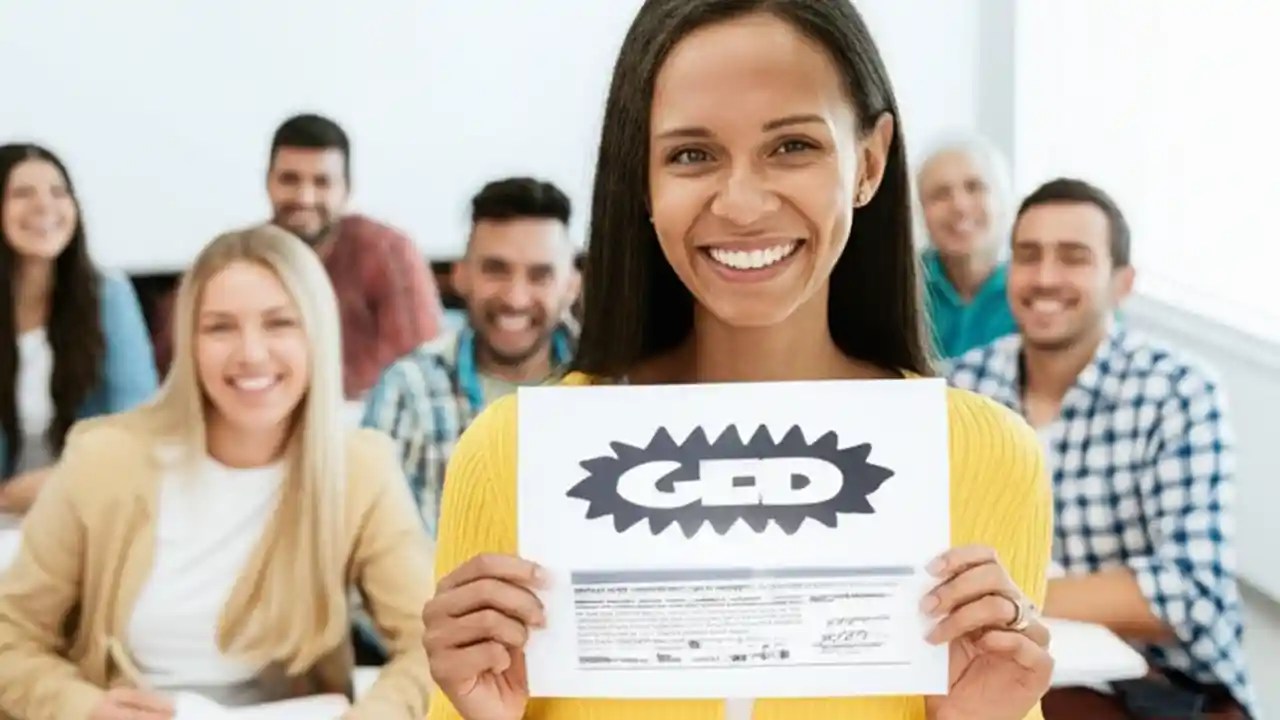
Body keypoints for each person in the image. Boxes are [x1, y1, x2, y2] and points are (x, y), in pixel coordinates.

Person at [420, 2, 1054, 719]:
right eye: (692, 155)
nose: (743, 205)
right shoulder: (511, 457)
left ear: (870, 162)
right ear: (641, 178)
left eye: (793, 146)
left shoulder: (986, 458)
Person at [0, 226, 434, 720]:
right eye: (220, 328)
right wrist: (85, 708)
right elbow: (10, 637)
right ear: (189, 342)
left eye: (279, 323)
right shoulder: (104, 458)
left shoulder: (360, 467)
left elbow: (432, 645)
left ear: (317, 333)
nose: (251, 353)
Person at [947, 178, 1254, 719]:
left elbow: (1190, 591)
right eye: (1028, 256)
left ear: (1122, 283)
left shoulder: (1178, 391)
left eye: (1074, 258)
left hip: (1168, 690)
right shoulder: (964, 384)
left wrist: (1009, 594)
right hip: (1003, 674)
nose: (1045, 278)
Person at [152, 113, 445, 399]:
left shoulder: (388, 253)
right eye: (290, 180)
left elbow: (423, 369)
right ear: (268, 183)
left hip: (361, 414)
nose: (305, 197)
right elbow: (174, 366)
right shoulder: (236, 258)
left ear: (346, 190)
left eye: (322, 182)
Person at [362, 176, 580, 538]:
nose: (516, 298)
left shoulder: (614, 384)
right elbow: (368, 541)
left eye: (540, 275)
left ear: (572, 285)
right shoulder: (408, 389)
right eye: (496, 270)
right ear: (461, 276)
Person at [0, 143, 158, 519]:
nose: (44, 205)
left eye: (59, 192)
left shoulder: (108, 295)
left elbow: (138, 426)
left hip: (88, 508)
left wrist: (59, 483)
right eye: (22, 193)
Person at [916, 135, 1017, 359]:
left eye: (974, 187)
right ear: (920, 210)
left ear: (1002, 201)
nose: (960, 206)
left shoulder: (1030, 288)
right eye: (941, 194)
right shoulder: (899, 287)